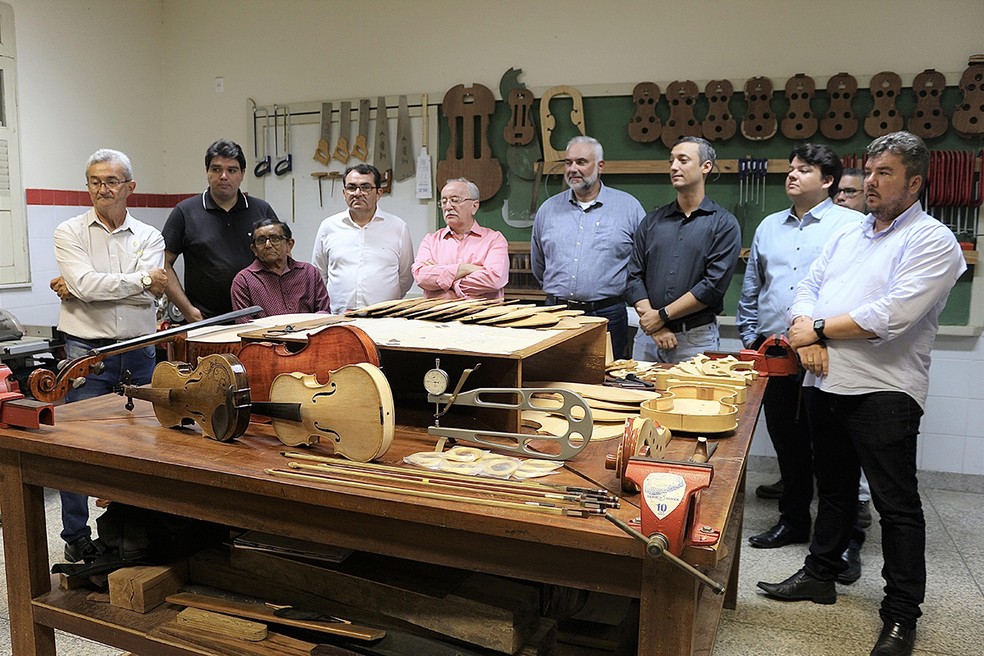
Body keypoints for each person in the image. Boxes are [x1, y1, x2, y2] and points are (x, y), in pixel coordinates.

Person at [758, 132, 966, 656]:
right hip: (825, 381)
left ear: (914, 183)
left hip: (884, 391)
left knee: (896, 507)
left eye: (884, 173)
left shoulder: (932, 240)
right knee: (833, 490)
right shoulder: (848, 235)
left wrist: (816, 329)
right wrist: (809, 335)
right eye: (869, 171)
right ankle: (820, 574)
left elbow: (891, 316)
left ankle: (900, 615)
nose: (870, 181)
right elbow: (807, 288)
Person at [736, 145, 864, 576]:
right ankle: (792, 521)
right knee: (787, 443)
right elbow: (752, 285)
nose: (791, 175)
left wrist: (823, 334)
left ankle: (844, 539)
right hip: (775, 352)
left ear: (827, 180)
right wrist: (751, 335)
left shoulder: (851, 226)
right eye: (790, 168)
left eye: (803, 170)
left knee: (834, 452)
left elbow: (856, 289)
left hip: (827, 353)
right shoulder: (769, 226)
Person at [50, 148, 166, 563]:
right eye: (95, 181)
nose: (103, 189)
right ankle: (76, 535)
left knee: (144, 443)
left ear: (129, 187)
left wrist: (88, 287)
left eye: (112, 181)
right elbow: (85, 284)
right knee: (75, 445)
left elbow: (94, 287)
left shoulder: (150, 236)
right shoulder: (69, 231)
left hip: (138, 353)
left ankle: (133, 524)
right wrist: (140, 281)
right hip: (87, 352)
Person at [627, 136, 741, 362]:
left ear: (705, 167)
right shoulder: (652, 221)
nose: (674, 167)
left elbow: (712, 287)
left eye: (683, 160)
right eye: (671, 161)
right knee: (636, 387)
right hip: (648, 336)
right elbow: (633, 277)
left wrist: (661, 316)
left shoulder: (724, 224)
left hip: (695, 339)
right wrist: (654, 324)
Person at [531, 136, 645, 358]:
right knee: (552, 375)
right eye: (568, 162)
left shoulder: (628, 208)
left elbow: (642, 263)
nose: (573, 169)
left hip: (607, 314)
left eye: (581, 162)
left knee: (607, 375)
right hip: (556, 313)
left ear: (600, 166)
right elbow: (539, 263)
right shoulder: (548, 210)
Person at [163, 139, 279, 321]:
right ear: (207, 171)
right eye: (216, 169)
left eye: (231, 170)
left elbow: (281, 259)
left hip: (257, 320)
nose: (223, 176)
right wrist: (188, 310)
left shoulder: (261, 210)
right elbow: (162, 262)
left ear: (242, 174)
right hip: (205, 322)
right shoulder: (185, 212)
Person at [312, 163, 414, 314]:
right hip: (338, 316)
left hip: (385, 317)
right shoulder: (328, 227)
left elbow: (406, 277)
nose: (358, 193)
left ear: (379, 193)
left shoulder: (398, 227)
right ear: (344, 192)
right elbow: (319, 273)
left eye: (366, 187)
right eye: (351, 187)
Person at [412, 178, 509, 300]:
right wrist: (464, 268)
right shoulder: (431, 241)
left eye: (455, 200)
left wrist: (447, 281)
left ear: (474, 206)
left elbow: (494, 279)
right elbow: (421, 276)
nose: (448, 207)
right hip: (439, 312)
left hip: (481, 311)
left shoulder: (494, 239)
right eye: (444, 201)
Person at [231, 218, 330, 321]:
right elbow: (244, 324)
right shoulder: (244, 281)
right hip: (265, 332)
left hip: (310, 330)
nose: (268, 245)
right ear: (254, 249)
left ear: (289, 245)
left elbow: (324, 312)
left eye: (275, 239)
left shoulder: (309, 273)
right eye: (261, 240)